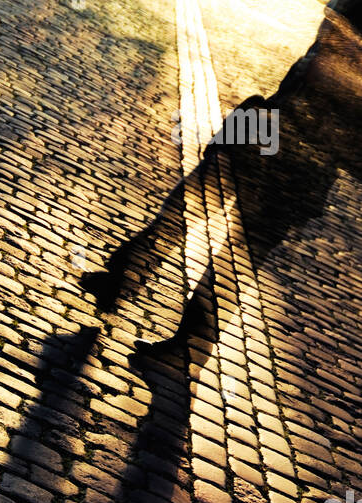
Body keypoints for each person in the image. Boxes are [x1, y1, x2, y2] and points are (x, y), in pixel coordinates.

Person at [82, 0, 362, 360]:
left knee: (236, 249)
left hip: (298, 154)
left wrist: (336, 42)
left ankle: (185, 341)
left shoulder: (347, 37)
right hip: (271, 126)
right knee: (192, 207)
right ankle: (123, 277)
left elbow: (329, 76)